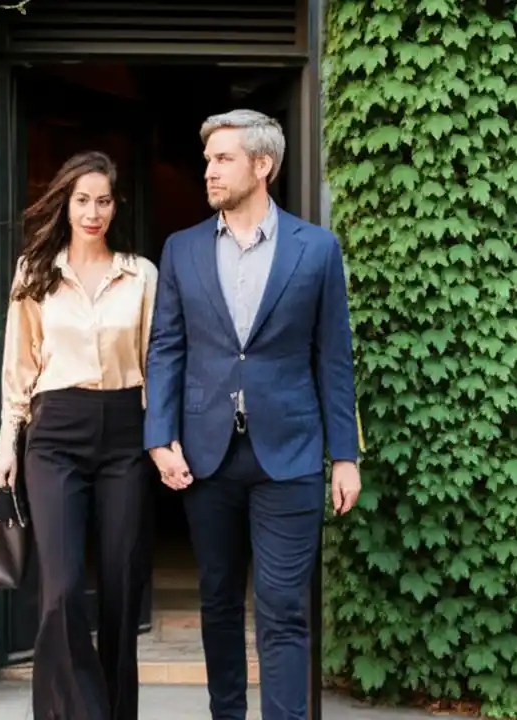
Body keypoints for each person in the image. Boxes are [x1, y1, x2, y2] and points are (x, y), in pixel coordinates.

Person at [143, 109, 362, 720]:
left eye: (223, 159)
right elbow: (166, 347)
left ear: (262, 165)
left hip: (290, 453)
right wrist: (160, 437)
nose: (208, 170)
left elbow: (334, 358)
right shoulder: (181, 248)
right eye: (208, 158)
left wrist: (344, 457)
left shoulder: (316, 249)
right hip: (206, 454)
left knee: (283, 605)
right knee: (216, 600)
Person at [0, 150, 158, 720]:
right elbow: (19, 366)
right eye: (83, 200)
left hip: (124, 434)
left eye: (103, 201)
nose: (93, 212)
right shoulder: (34, 272)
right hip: (56, 430)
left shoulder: (140, 274)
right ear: (65, 202)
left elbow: (154, 365)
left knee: (120, 591)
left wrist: (161, 440)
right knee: (61, 590)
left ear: (116, 206)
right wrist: (6, 445)